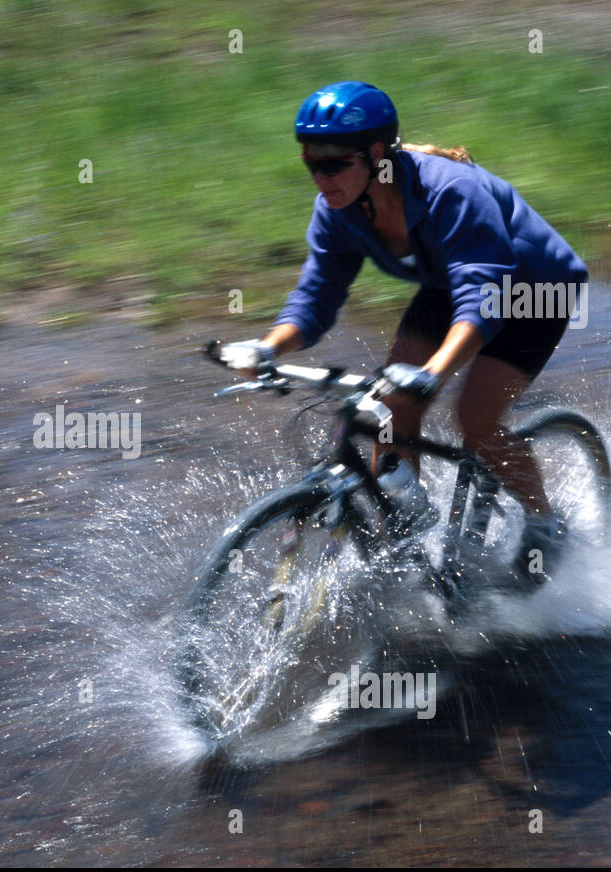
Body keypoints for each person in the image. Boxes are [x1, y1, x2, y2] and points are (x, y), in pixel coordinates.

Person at [221, 81, 589, 586]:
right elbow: (316, 296)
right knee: (392, 402)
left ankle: (547, 526)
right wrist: (266, 348)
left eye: (332, 164)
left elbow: (484, 301)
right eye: (310, 162)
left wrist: (435, 373)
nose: (319, 177)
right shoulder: (339, 208)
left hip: (533, 288)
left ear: (376, 154)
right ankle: (406, 537)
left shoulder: (451, 192)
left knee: (475, 419)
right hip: (454, 283)